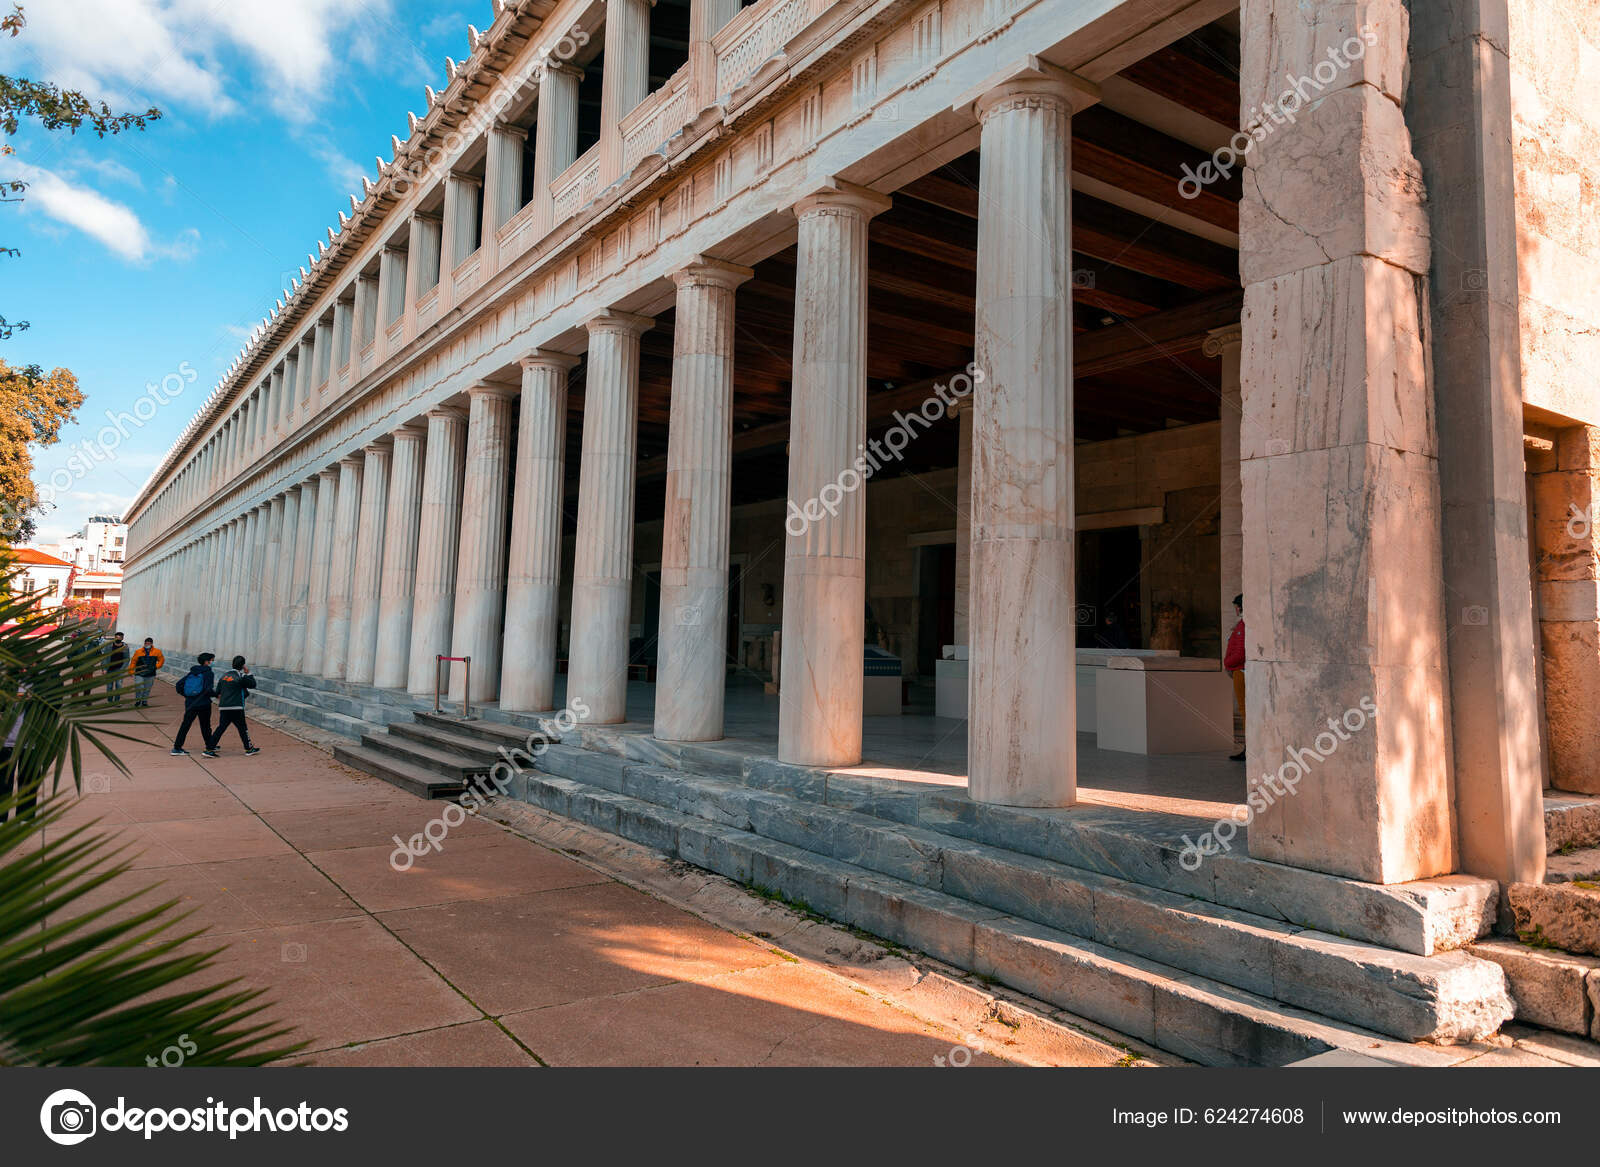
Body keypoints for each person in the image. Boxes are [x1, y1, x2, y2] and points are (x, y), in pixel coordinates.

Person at [204, 656, 260, 758]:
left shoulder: (224, 676)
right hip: (236, 707)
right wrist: (249, 673)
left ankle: (209, 749)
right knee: (243, 728)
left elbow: (217, 692)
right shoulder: (240, 676)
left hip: (224, 707)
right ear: (242, 666)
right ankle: (249, 748)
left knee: (221, 728)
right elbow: (252, 684)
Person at [170, 653, 217, 757]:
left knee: (185, 725)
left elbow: (179, 685)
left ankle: (177, 747)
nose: (212, 662)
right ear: (206, 662)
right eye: (211, 660)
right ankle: (209, 745)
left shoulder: (193, 671)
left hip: (191, 703)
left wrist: (188, 695)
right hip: (204, 703)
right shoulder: (208, 673)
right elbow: (208, 689)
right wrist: (216, 695)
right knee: (205, 725)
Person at [1223, 594, 1245, 761]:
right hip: (1238, 670)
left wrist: (1228, 663)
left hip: (1240, 671)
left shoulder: (1243, 626)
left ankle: (1248, 747)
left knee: (1244, 711)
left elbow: (1240, 652)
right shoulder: (1241, 625)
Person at [128, 638, 164, 707]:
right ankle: (138, 700)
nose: (147, 644)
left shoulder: (157, 652)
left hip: (151, 673)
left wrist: (156, 667)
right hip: (139, 673)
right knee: (139, 686)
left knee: (147, 688)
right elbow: (133, 661)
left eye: (149, 643)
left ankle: (144, 701)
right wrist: (131, 671)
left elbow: (161, 660)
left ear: (151, 644)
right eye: (146, 643)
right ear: (144, 643)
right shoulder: (138, 652)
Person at [104, 631, 129, 702]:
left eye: (120, 637)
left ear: (122, 638)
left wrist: (123, 669)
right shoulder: (109, 646)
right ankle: (109, 701)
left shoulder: (125, 647)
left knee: (118, 686)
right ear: (114, 638)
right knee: (109, 686)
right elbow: (104, 658)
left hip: (119, 669)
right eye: (116, 637)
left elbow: (127, 659)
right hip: (109, 669)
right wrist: (104, 669)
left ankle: (117, 701)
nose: (118, 639)